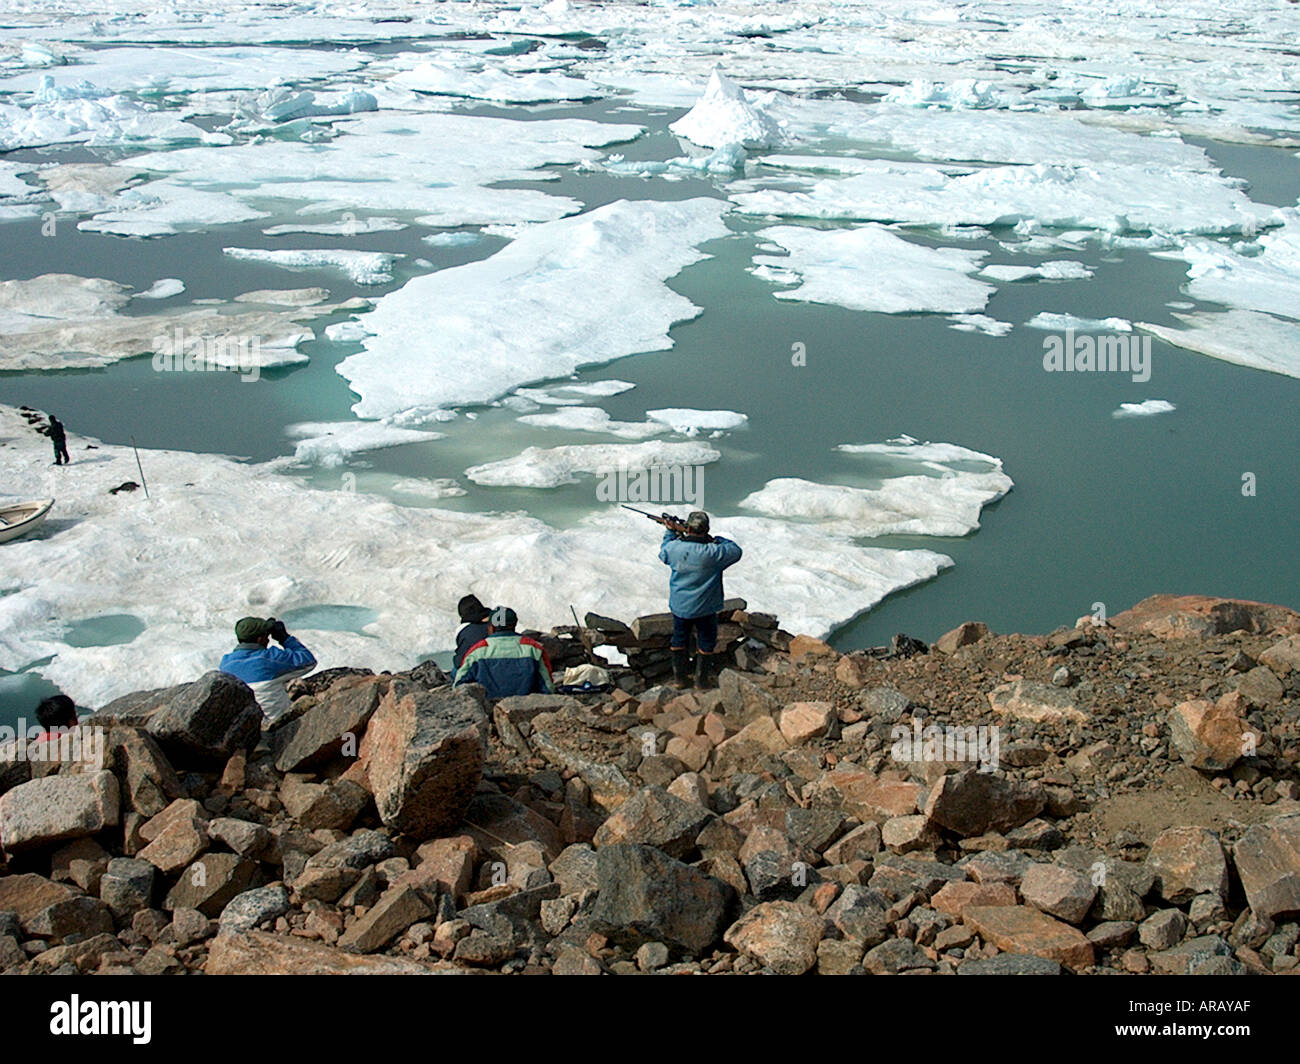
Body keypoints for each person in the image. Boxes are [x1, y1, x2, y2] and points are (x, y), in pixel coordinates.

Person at [659, 510, 742, 689]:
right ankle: (701, 681)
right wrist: (717, 539)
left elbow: (664, 553)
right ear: (706, 529)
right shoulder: (713, 552)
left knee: (679, 640)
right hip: (706, 607)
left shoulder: (675, 548)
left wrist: (670, 532)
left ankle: (680, 679)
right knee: (706, 641)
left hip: (681, 606)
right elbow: (736, 551)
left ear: (688, 528)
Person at [218, 616, 317, 724]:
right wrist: (284, 638)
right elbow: (309, 661)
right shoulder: (269, 658)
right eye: (266, 635)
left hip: (246, 725)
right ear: (260, 639)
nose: (268, 639)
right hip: (277, 723)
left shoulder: (225, 663)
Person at [454, 606, 554, 701]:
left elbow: (459, 686)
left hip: (488, 708)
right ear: (514, 625)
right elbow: (547, 687)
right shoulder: (533, 649)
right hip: (526, 706)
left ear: (491, 628)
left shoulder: (477, 651)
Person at [453, 594, 492, 677]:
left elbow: (459, 661)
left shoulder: (466, 631)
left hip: (481, 673)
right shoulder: (498, 622)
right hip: (503, 668)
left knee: (455, 671)